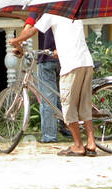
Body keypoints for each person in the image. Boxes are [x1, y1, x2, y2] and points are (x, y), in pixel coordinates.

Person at [10, 13, 98, 156]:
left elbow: (32, 30)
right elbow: (70, 37)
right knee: (84, 105)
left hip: (71, 65)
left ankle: (78, 146)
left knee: (67, 106)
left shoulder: (52, 13)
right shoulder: (74, 13)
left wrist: (16, 40)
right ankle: (91, 143)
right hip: (86, 62)